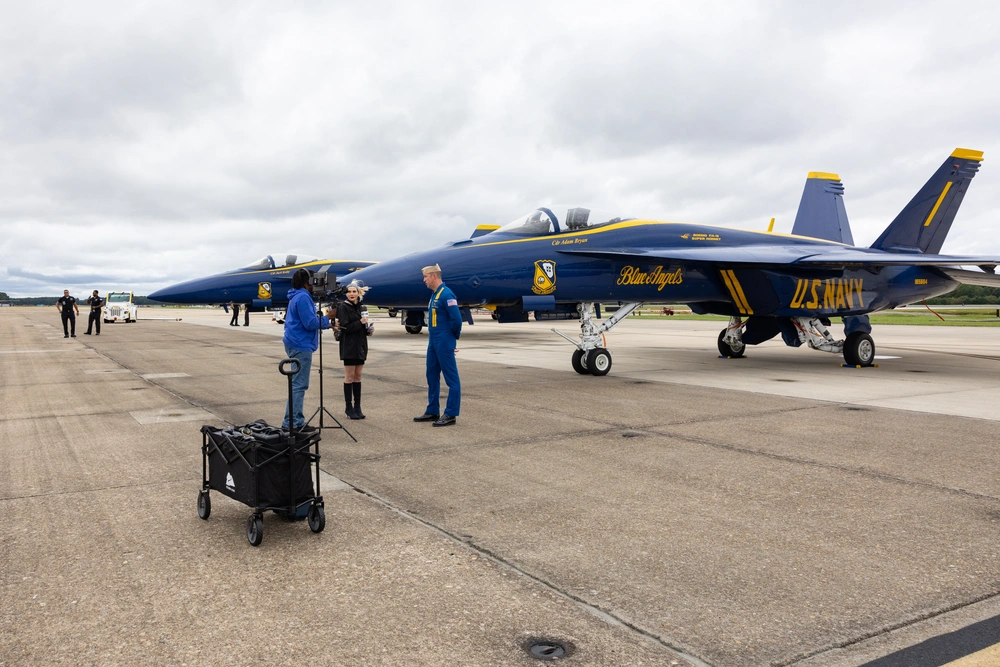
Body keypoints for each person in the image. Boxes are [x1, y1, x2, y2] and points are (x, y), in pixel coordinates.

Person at [281, 269, 332, 433]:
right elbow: (310, 323)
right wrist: (328, 317)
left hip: (295, 341)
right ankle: (292, 423)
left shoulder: (297, 295)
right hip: (300, 344)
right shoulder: (303, 297)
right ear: (307, 282)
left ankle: (295, 420)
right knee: (299, 385)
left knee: (297, 384)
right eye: (314, 280)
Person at [413, 264, 462, 427]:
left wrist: (451, 340)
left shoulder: (447, 294)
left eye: (426, 277)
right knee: (431, 375)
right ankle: (433, 410)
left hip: (444, 340)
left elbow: (457, 320)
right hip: (433, 341)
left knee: (451, 378)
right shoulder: (435, 294)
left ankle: (450, 413)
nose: (424, 280)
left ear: (434, 276)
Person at [335, 282, 372, 420]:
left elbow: (363, 325)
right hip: (349, 345)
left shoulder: (362, 307)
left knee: (358, 376)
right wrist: (360, 323)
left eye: (354, 291)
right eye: (349, 291)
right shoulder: (343, 307)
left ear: (358, 293)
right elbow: (345, 327)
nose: (351, 294)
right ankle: (348, 407)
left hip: (361, 345)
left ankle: (358, 406)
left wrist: (368, 330)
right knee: (349, 376)